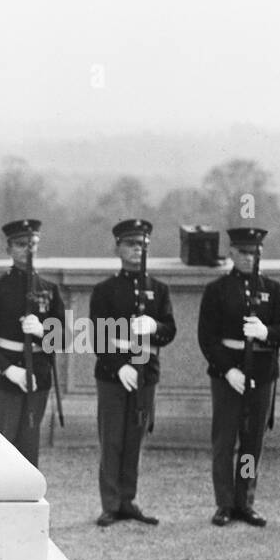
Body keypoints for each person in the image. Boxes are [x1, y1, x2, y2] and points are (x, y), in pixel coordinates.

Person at [197, 225, 280, 527]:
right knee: (225, 442)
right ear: (233, 253)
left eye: (255, 253)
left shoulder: (272, 289)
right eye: (244, 253)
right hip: (229, 373)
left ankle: (244, 501)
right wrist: (229, 370)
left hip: (261, 374)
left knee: (252, 443)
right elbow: (207, 337)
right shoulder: (217, 290)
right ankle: (224, 503)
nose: (250, 258)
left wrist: (266, 333)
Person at [88, 219, 177, 527]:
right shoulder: (105, 290)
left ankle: (128, 499)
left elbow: (170, 330)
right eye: (130, 244)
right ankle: (111, 503)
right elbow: (97, 335)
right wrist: (119, 365)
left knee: (134, 438)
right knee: (112, 438)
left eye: (141, 244)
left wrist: (155, 326)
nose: (137, 250)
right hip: (114, 373)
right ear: (118, 248)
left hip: (145, 372)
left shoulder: (159, 290)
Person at [0, 218, 64, 467]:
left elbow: (63, 339)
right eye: (21, 244)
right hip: (6, 375)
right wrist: (8, 370)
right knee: (5, 443)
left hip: (38, 374)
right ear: (8, 249)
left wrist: (44, 331)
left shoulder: (49, 289)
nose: (27, 249)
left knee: (30, 445)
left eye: (32, 243)